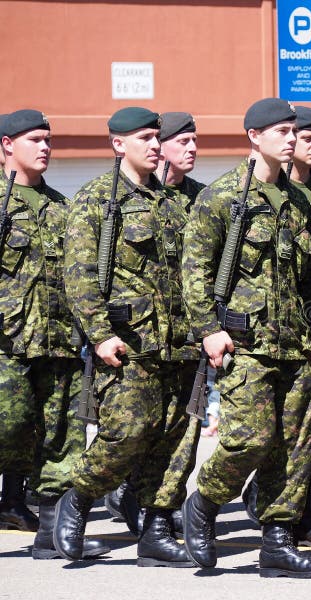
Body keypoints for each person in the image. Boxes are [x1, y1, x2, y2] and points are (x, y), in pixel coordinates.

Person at [180, 98, 311, 578]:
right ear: (254, 137)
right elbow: (195, 272)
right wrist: (209, 329)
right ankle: (202, 503)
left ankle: (277, 542)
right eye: (281, 131)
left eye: (294, 131)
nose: (290, 139)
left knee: (295, 447)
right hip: (245, 344)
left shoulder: (298, 202)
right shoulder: (222, 198)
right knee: (249, 440)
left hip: (294, 345)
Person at [55, 107, 195, 568]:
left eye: (157, 137)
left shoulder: (176, 202)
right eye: (145, 138)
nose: (156, 146)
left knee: (177, 439)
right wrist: (98, 335)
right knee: (126, 433)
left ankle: (156, 528)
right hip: (128, 342)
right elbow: (77, 276)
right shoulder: (97, 199)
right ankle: (77, 499)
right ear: (119, 144)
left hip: (181, 343)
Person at [0, 109, 110, 560]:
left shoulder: (66, 209)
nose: (45, 147)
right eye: (34, 140)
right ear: (8, 145)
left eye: (48, 140)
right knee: (10, 427)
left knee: (61, 439)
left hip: (60, 343)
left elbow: (81, 277)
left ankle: (51, 533)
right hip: (8, 345)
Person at [241, 105, 311, 548]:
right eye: (305, 137)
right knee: (278, 429)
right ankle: (278, 504)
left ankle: (300, 507)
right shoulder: (268, 197)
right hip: (282, 334)